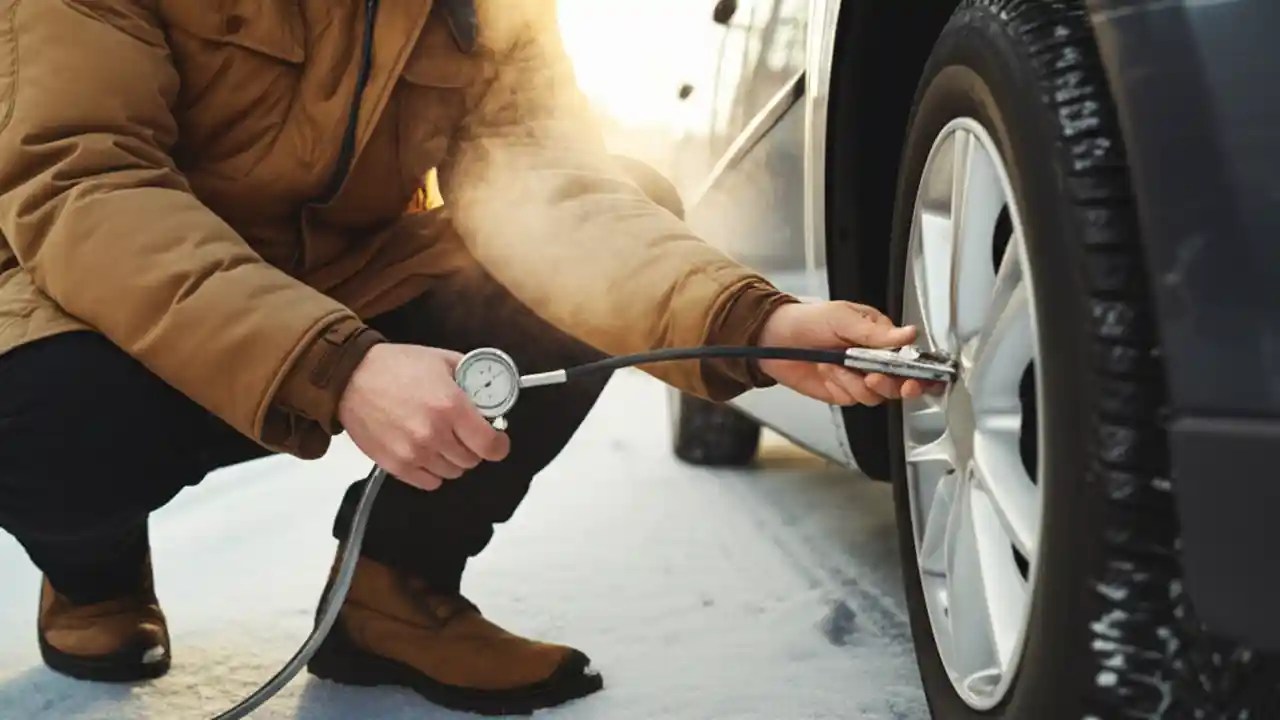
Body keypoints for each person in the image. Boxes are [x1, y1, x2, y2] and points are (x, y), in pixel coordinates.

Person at [0, 0, 930, 714]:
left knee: (605, 218)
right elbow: (86, 180)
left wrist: (755, 325)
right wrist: (338, 366)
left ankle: (396, 592)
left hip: (352, 279)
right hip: (96, 287)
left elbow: (548, 180)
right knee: (35, 416)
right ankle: (93, 571)